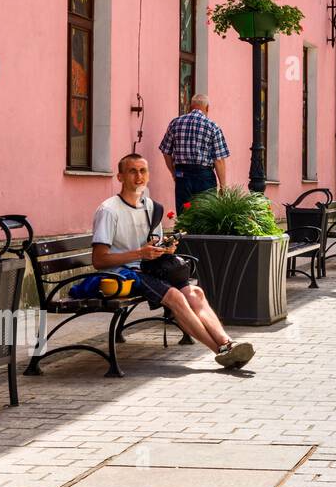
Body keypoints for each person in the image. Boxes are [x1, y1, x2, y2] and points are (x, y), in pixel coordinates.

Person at [92, 153, 254, 369]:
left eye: (143, 171)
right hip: (123, 273)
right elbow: (99, 260)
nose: (138, 176)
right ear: (120, 177)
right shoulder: (109, 210)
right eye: (132, 171)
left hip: (149, 268)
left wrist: (165, 248)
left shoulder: (151, 207)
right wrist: (140, 253)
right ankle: (221, 352)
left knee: (195, 292)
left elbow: (153, 246)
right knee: (176, 297)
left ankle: (227, 342)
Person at [159, 94, 229, 211]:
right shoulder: (212, 127)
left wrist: (174, 172)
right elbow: (219, 160)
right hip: (204, 176)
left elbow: (166, 152)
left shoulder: (175, 123)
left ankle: (184, 229)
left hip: (182, 174)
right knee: (205, 216)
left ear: (189, 107)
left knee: (184, 213)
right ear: (207, 108)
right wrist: (223, 186)